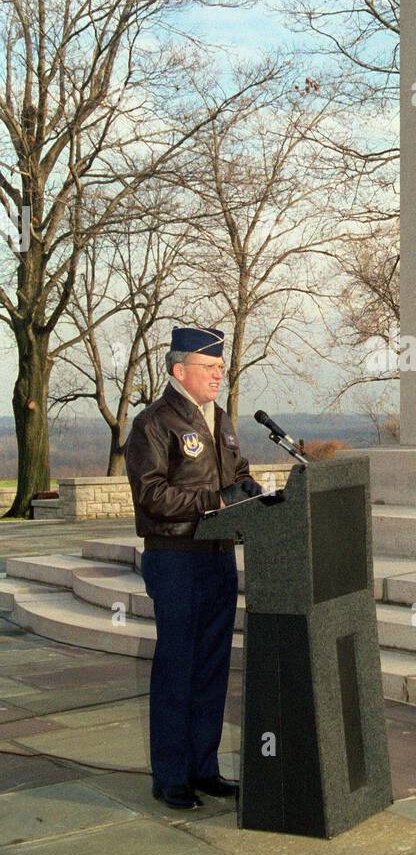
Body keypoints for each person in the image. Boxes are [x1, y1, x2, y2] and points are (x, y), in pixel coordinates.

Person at [125, 327, 261, 810]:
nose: (218, 375)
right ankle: (171, 776)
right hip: (176, 559)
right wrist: (217, 500)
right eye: (210, 368)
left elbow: (235, 472)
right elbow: (151, 494)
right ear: (180, 370)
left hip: (218, 556)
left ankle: (204, 769)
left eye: (221, 368)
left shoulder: (220, 420)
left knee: (212, 668)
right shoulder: (153, 424)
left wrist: (252, 491)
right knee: (177, 666)